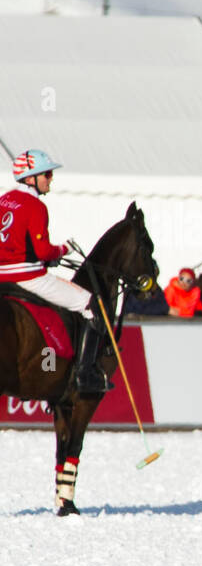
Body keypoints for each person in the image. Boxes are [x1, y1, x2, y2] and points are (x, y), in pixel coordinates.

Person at [0, 149, 110, 392]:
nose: (51, 179)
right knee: (92, 305)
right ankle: (85, 374)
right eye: (46, 174)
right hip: (28, 277)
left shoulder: (3, 200)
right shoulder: (36, 206)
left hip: (2, 276)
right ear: (31, 178)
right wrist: (63, 249)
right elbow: (42, 251)